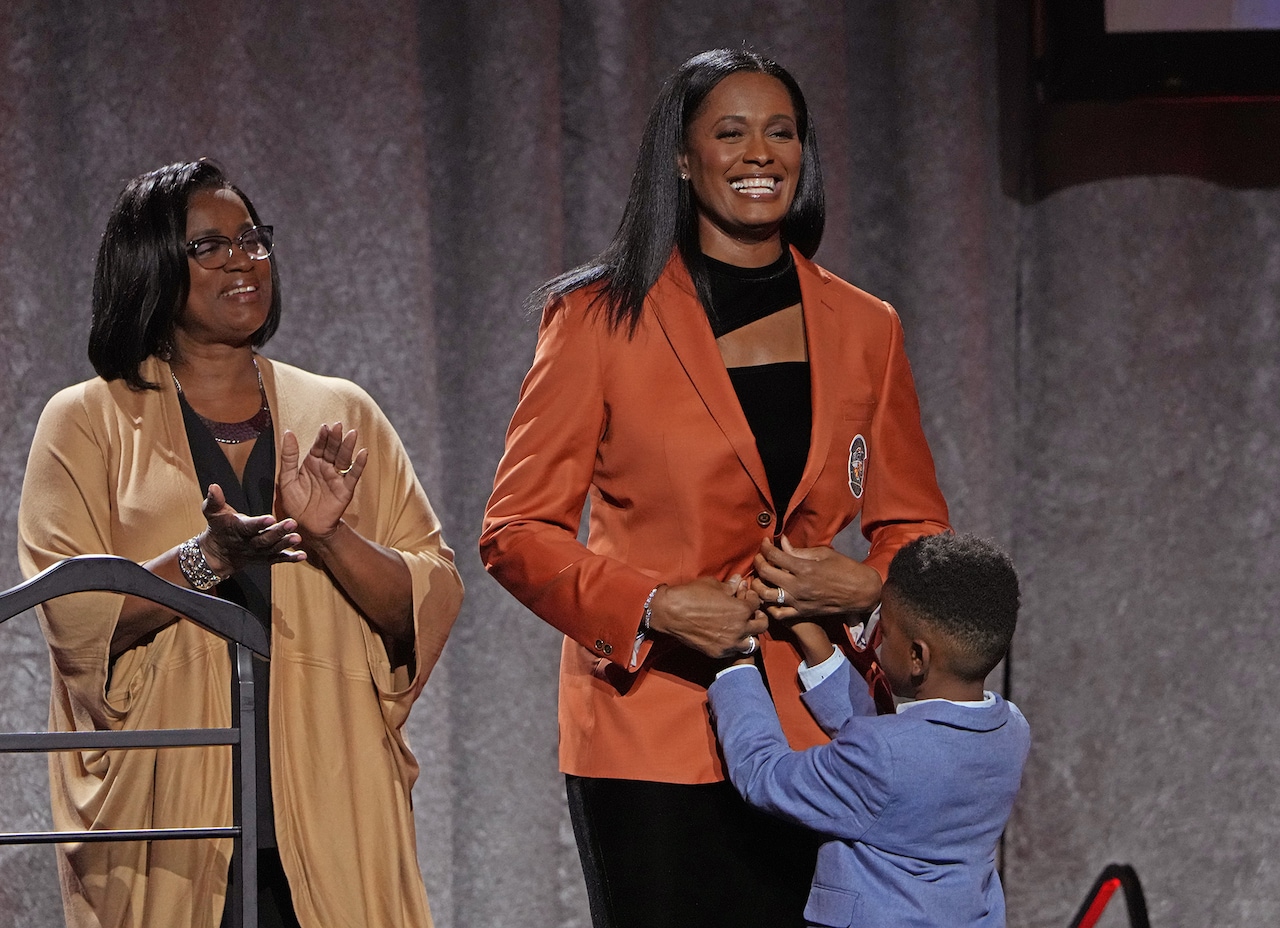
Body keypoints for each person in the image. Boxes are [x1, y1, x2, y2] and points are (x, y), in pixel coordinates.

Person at [479, 48, 950, 928]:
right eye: (729, 132)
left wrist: (875, 582)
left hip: (820, 733)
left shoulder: (866, 326)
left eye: (781, 131)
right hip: (651, 728)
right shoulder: (596, 317)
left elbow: (916, 525)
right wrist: (655, 605)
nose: (759, 152)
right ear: (685, 159)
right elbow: (516, 531)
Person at [17, 159, 464, 928]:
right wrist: (208, 560)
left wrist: (333, 537)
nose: (242, 259)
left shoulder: (341, 411)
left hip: (334, 801)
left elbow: (425, 603)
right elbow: (74, 617)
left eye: (252, 238)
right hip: (168, 816)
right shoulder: (84, 421)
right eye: (209, 246)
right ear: (151, 264)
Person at [709, 533, 1030, 928]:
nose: (875, 643)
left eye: (885, 631)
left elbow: (764, 776)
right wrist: (815, 640)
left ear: (917, 656)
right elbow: (899, 743)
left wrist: (736, 663)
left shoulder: (883, 755)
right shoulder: (1012, 728)